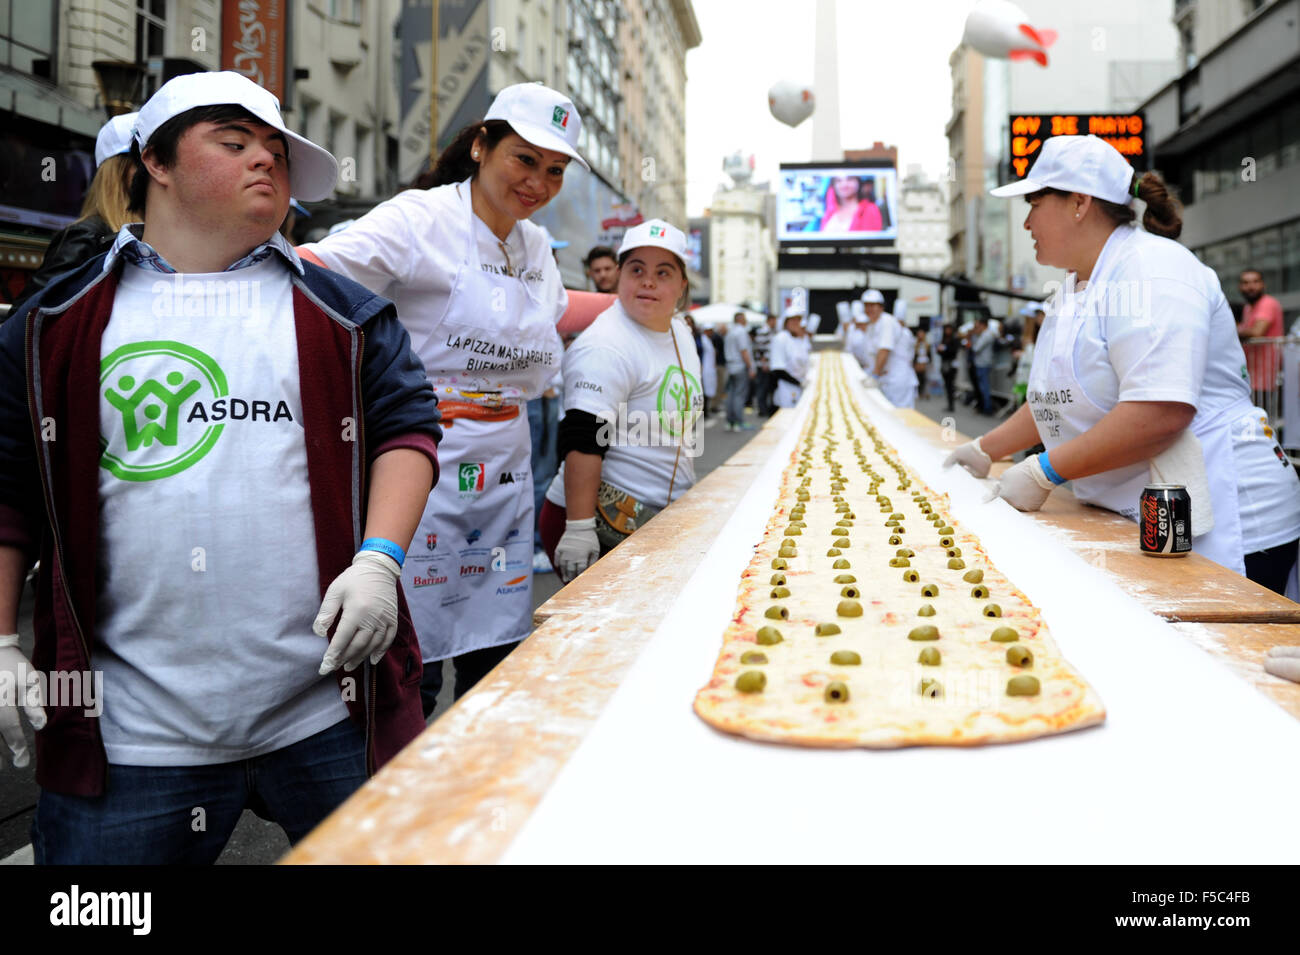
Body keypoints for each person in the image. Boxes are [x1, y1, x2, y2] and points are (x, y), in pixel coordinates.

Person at [0, 71, 440, 863]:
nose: (264, 161)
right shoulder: (53, 325)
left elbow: (405, 428)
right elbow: (6, 491)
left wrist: (380, 559)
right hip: (131, 737)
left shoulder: (342, 312)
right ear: (155, 163)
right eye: (234, 143)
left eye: (274, 148)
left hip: (328, 711)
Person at [299, 82, 584, 714]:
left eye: (555, 170)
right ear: (482, 145)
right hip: (418, 464)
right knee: (411, 662)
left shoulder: (536, 247)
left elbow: (560, 318)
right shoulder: (418, 218)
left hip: (504, 477)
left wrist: (642, 308)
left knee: (497, 660)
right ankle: (399, 796)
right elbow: (311, 270)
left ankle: (485, 799)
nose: (538, 182)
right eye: (525, 159)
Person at [945, 134, 1300, 591]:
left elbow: (1160, 411)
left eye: (1034, 203)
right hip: (1147, 514)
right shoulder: (1078, 285)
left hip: (1231, 514)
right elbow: (1061, 401)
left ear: (1078, 202)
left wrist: (1046, 470)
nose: (1027, 222)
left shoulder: (1152, 270)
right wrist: (983, 450)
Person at [541, 219, 703, 581]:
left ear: (682, 285)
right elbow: (584, 439)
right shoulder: (606, 345)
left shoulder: (680, 330)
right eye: (637, 269)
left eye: (663, 272)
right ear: (619, 276)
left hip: (652, 518)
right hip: (598, 521)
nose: (648, 281)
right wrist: (580, 528)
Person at [10, 112, 138, 314]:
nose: (158, 169)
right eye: (144, 159)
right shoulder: (88, 236)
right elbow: (25, 318)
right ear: (120, 170)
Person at [861, 289, 917, 409]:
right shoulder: (872, 325)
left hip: (897, 379)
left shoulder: (887, 321)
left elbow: (884, 350)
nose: (869, 309)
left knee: (901, 417)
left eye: (873, 305)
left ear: (881, 307)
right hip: (886, 378)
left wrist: (874, 375)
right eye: (866, 305)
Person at [1237, 268, 1283, 409]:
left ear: (1263, 284)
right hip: (1251, 377)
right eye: (1246, 282)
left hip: (1265, 378)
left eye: (1255, 282)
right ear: (1240, 287)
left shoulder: (1267, 303)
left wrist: (1231, 330)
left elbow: (1257, 332)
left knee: (1265, 424)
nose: (1251, 286)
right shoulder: (1248, 308)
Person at [770, 306, 812, 408]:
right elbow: (777, 369)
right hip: (787, 388)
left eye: (798, 320)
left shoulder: (797, 339)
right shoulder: (781, 338)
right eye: (792, 320)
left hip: (799, 385)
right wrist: (798, 383)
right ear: (786, 322)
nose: (796, 323)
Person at [724, 311, 756, 431]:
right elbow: (744, 351)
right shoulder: (741, 332)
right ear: (741, 319)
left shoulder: (730, 332)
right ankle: (738, 421)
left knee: (731, 395)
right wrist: (751, 367)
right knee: (739, 395)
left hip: (731, 366)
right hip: (739, 366)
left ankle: (730, 421)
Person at [818, 175, 883, 233]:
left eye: (849, 179)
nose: (844, 184)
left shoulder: (870, 209)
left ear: (858, 182)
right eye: (838, 181)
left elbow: (871, 241)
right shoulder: (830, 211)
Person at [751, 312, 777, 416]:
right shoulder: (764, 331)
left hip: (765, 364)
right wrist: (764, 363)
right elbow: (760, 348)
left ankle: (764, 408)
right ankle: (762, 409)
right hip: (763, 365)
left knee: (765, 387)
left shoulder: (769, 331)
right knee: (763, 387)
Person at [936, 322, 961, 412]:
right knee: (947, 385)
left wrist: (945, 349)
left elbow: (954, 351)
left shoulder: (954, 339)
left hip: (951, 365)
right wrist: (940, 350)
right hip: (944, 364)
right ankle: (949, 404)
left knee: (951, 385)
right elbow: (939, 352)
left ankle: (951, 405)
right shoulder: (944, 339)